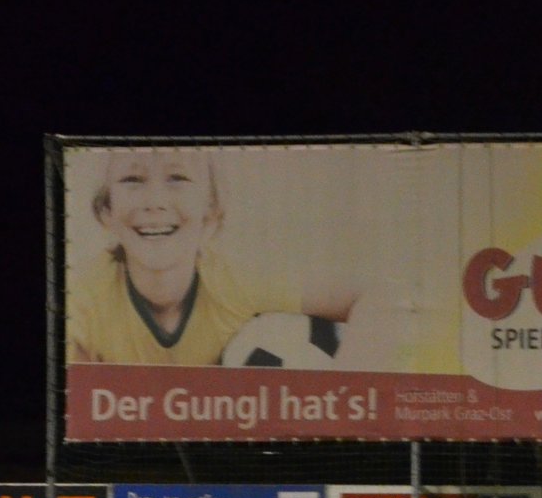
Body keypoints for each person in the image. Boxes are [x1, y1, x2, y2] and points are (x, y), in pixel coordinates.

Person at [67, 148, 358, 365]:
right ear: (106, 212)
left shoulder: (236, 281)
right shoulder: (82, 301)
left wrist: (343, 394)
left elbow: (373, 295)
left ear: (211, 213)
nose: (154, 201)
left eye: (178, 178)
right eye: (132, 179)